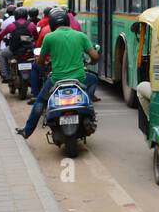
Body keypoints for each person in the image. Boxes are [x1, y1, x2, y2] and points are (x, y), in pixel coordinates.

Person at [18, 7, 100, 139]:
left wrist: (42, 63)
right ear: (68, 22)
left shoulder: (49, 38)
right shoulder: (81, 36)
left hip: (56, 79)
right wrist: (91, 63)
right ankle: (88, 105)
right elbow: (95, 56)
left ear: (52, 24)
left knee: (39, 101)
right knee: (93, 79)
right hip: (80, 78)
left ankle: (27, 131)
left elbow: (41, 61)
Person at [0, 7, 35, 82]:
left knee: (2, 54)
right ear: (26, 15)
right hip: (28, 51)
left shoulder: (11, 26)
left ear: (15, 15)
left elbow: (0, 36)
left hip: (14, 50)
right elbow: (36, 37)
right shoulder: (31, 25)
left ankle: (6, 75)